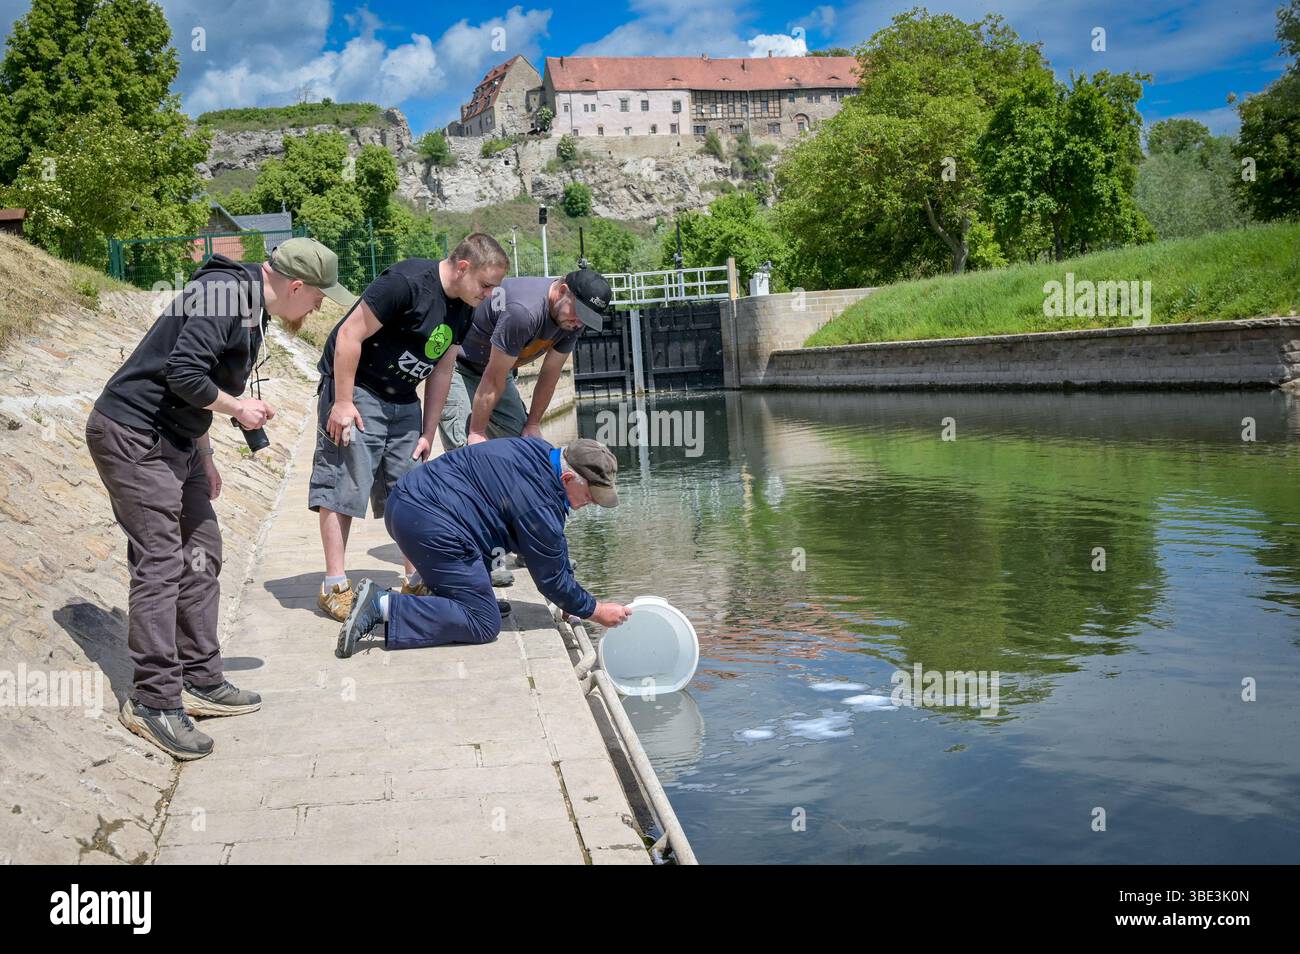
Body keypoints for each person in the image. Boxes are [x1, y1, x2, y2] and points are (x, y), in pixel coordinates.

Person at [86, 238, 352, 760]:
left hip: (178, 440)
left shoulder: (252, 305)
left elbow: (197, 377)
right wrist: (238, 410)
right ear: (296, 286)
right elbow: (182, 372)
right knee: (161, 562)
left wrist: (204, 452)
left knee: (203, 551)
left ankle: (200, 678)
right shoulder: (223, 294)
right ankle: (153, 701)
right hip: (133, 435)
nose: (320, 307)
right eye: (319, 297)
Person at [309, 234, 509, 622]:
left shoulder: (465, 307)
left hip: (403, 398)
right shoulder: (407, 282)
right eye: (486, 285)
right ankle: (334, 585)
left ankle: (416, 578)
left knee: (412, 490)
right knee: (344, 485)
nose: (489, 294)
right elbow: (349, 335)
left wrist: (428, 431)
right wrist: (343, 402)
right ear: (463, 267)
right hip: (359, 387)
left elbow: (443, 368)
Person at [335, 438, 632, 657]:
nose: (591, 503)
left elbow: (552, 549)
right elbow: (551, 577)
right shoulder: (540, 504)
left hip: (407, 503)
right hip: (429, 524)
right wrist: (596, 610)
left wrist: (572, 599)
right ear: (568, 477)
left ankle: (455, 596)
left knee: (489, 551)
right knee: (482, 621)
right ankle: (381, 605)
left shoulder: (538, 451)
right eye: (591, 495)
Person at [438, 267, 612, 586]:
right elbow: (490, 378)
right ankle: (476, 557)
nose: (579, 323)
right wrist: (477, 432)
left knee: (526, 459)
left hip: (498, 372)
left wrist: (532, 425)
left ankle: (528, 547)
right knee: (468, 460)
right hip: (459, 368)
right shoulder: (524, 311)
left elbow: (550, 374)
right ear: (561, 291)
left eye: (587, 318)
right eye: (579, 313)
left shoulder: (571, 319)